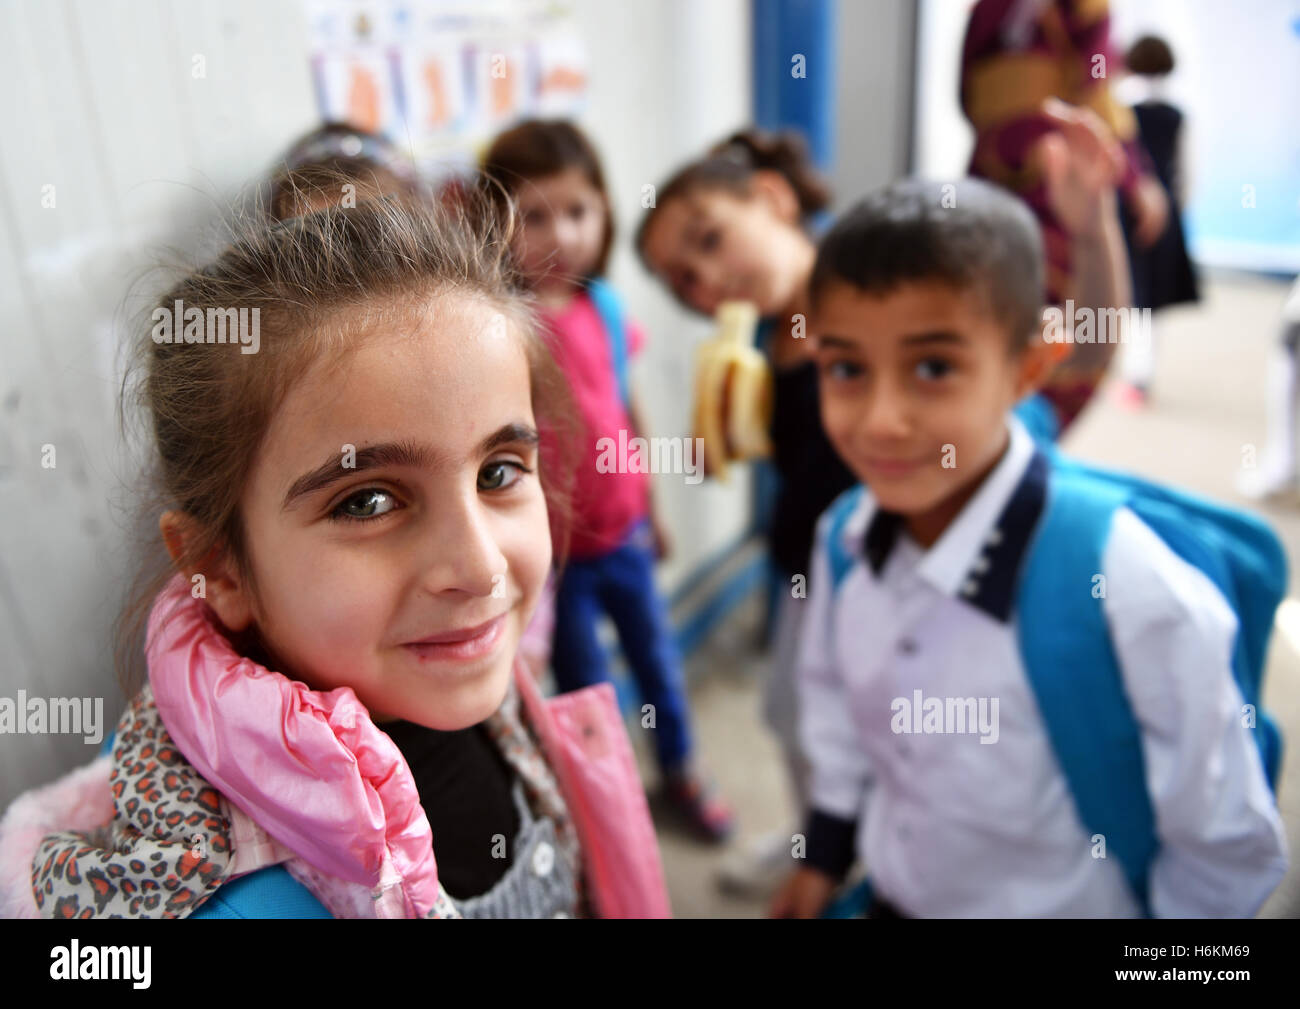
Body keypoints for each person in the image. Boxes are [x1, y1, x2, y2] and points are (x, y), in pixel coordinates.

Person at [0, 196, 670, 919]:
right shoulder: (230, 900)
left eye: (499, 471)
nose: (480, 568)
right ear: (220, 567)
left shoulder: (456, 671)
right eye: (367, 502)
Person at [769, 170, 1288, 918]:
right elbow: (836, 713)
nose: (881, 420)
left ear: (1031, 364)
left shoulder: (1122, 575)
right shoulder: (845, 536)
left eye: (934, 367)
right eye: (846, 368)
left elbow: (1223, 843)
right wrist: (820, 858)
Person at [481, 119, 734, 842]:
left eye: (577, 211)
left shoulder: (607, 308)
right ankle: (609, 807)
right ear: (494, 221)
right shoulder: (504, 330)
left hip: (622, 534)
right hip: (557, 562)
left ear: (604, 213)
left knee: (658, 658)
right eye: (533, 215)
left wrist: (651, 507)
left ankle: (682, 765)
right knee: (588, 692)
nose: (559, 233)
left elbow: (625, 409)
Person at [636, 128, 857, 889]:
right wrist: (723, 435)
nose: (705, 283)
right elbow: (794, 444)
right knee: (793, 712)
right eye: (682, 280)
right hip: (803, 571)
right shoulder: (768, 333)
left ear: (772, 199)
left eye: (710, 241)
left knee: (854, 725)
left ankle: (849, 856)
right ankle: (816, 843)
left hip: (870, 576)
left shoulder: (862, 305)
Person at [960, 0, 1169, 432]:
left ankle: (1025, 423)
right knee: (978, 300)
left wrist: (1132, 175)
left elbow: (1096, 82)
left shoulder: (1085, 9)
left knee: (1060, 325)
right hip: (998, 170)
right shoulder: (989, 9)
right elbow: (967, 90)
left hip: (1050, 170)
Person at [1115, 34, 1201, 404]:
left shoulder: (1121, 112)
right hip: (1162, 214)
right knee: (1148, 301)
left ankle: (1125, 370)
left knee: (1125, 293)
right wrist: (1175, 211)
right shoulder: (1176, 115)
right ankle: (1139, 374)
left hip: (1123, 213)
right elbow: (1187, 173)